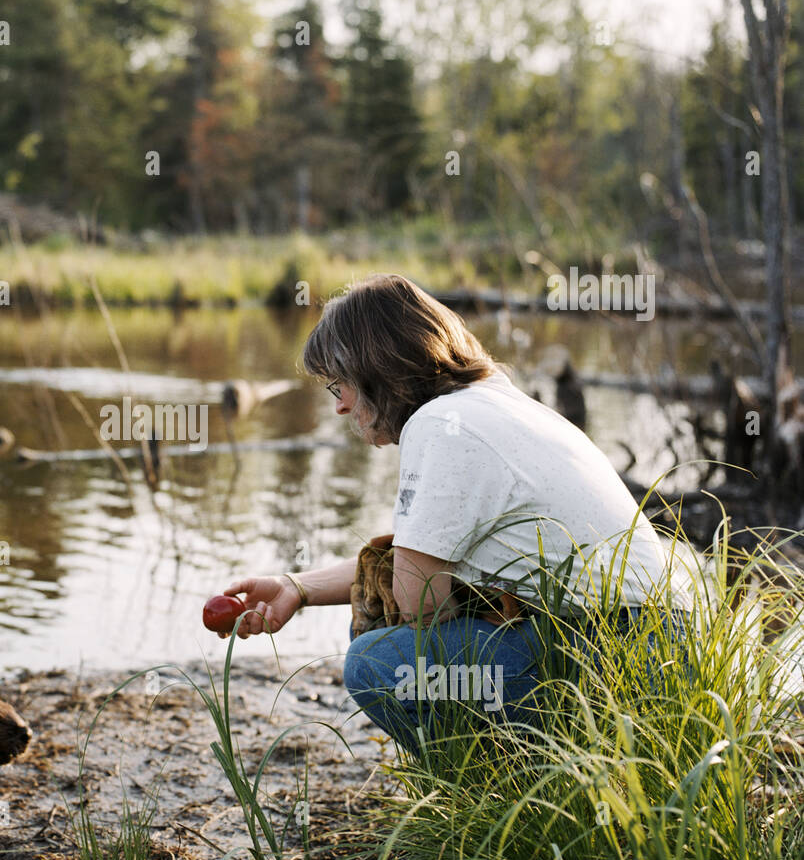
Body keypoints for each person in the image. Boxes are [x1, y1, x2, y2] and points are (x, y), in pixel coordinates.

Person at [219, 274, 689, 755]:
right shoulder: (492, 404)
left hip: (617, 653)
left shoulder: (441, 425)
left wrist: (414, 589)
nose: (339, 405)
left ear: (378, 371)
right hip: (662, 650)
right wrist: (296, 588)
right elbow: (420, 555)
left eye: (340, 384)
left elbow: (420, 601)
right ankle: (538, 780)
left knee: (378, 663)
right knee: (397, 636)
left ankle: (488, 797)